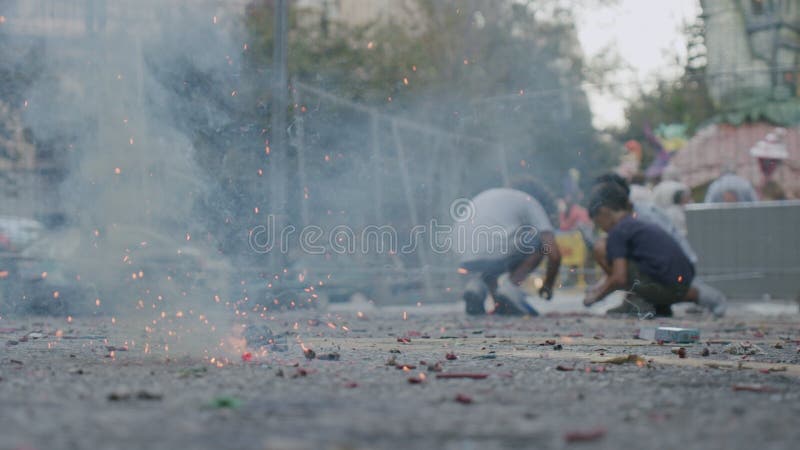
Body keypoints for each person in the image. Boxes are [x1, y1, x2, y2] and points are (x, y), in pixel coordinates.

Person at [586, 174, 726, 316]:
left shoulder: (619, 231)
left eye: (599, 224)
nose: (602, 229)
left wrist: (595, 297)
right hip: (682, 281)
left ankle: (643, 301)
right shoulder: (634, 222)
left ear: (604, 212)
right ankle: (657, 304)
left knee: (602, 248)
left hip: (668, 286)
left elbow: (619, 277)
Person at [456, 180, 561, 316]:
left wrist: (501, 304)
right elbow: (554, 254)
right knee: (540, 242)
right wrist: (548, 285)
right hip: (494, 251)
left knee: (494, 251)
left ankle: (476, 286)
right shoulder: (531, 202)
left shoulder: (494, 196)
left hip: (464, 253)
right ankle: (511, 286)